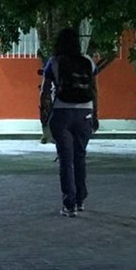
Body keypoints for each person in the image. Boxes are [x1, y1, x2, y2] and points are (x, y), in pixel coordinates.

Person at [42, 28, 97, 217]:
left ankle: (69, 204)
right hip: (85, 113)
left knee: (66, 160)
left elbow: (44, 92)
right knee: (80, 156)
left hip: (62, 113)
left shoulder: (54, 62)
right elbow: (94, 89)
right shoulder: (88, 61)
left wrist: (44, 116)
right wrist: (95, 115)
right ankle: (81, 200)